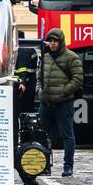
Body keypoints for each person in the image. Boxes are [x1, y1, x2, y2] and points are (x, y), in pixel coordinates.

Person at [38, 27, 82, 177]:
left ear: (61, 42)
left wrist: (64, 92)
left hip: (64, 104)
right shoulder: (45, 57)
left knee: (67, 136)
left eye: (55, 41)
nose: (52, 44)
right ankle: (43, 166)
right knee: (41, 135)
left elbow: (78, 79)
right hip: (46, 103)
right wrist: (40, 91)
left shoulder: (72, 57)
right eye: (50, 41)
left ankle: (68, 166)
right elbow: (39, 78)